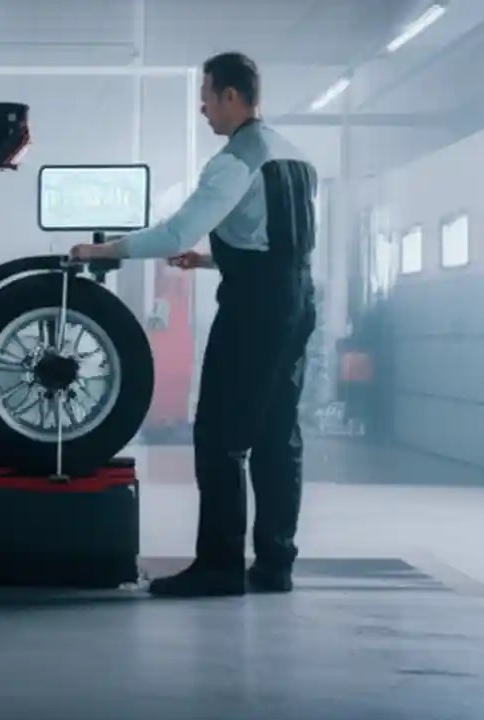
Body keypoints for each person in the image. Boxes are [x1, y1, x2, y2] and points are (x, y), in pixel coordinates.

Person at [71, 52, 318, 597]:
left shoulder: (235, 161)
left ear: (232, 96)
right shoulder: (295, 156)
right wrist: (211, 261)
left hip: (253, 313)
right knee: (279, 436)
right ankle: (276, 564)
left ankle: (219, 566)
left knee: (219, 436)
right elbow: (277, 245)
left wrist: (101, 248)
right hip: (296, 304)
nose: (202, 108)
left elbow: (176, 232)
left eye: (206, 96)